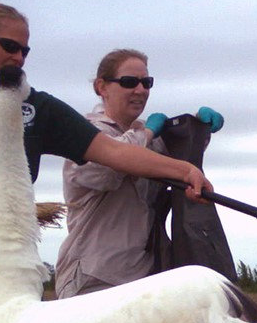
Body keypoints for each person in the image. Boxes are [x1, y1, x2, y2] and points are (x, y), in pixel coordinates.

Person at [0, 2, 209, 297]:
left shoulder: (40, 108)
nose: (19, 58)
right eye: (10, 46)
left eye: (25, 50)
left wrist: (185, 170)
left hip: (11, 252)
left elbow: (116, 153)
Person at [54, 49, 225, 299]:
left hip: (143, 280)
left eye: (146, 83)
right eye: (129, 82)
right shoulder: (84, 136)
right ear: (102, 87)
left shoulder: (148, 138)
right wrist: (148, 133)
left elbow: (178, 163)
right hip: (94, 278)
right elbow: (115, 163)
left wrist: (197, 128)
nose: (140, 90)